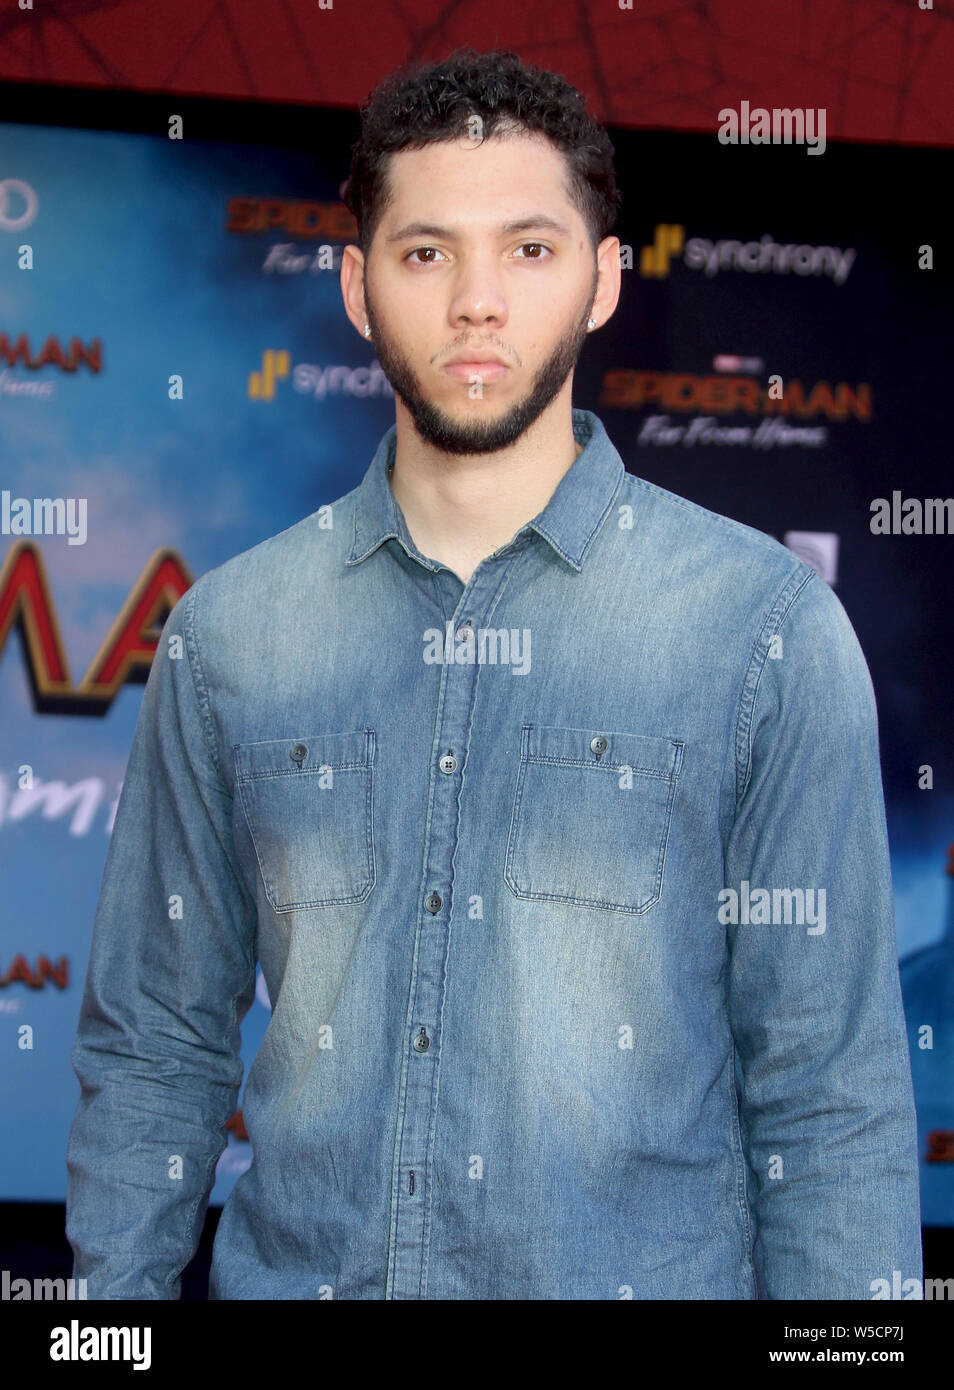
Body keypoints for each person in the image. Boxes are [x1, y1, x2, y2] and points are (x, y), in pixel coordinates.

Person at [66, 47, 922, 1299]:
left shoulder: (763, 632)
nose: (478, 302)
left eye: (529, 249)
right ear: (358, 287)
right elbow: (154, 1042)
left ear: (604, 280)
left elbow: (830, 1095)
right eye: (426, 252)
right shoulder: (230, 636)